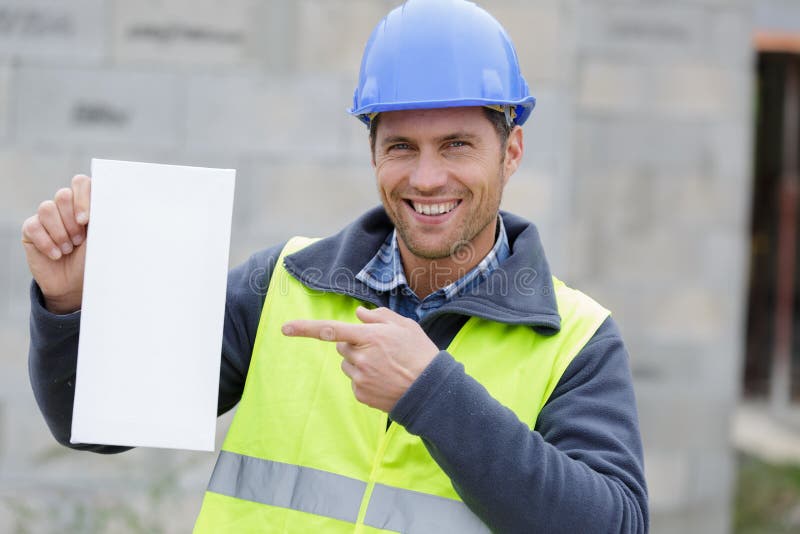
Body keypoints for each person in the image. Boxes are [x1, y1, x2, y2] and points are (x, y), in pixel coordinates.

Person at [23, 0, 648, 532]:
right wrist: (71, 306)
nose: (427, 177)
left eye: (457, 145)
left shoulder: (575, 340)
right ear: (373, 151)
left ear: (511, 150)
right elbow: (92, 425)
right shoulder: (281, 284)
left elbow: (613, 522)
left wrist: (432, 394)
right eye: (401, 147)